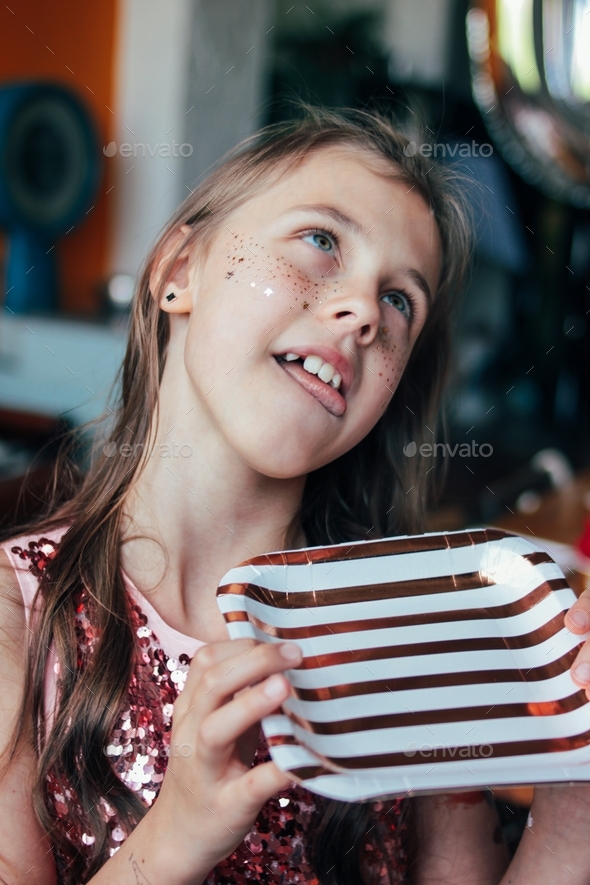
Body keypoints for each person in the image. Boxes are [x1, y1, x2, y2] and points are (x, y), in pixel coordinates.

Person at [0, 107, 516, 885]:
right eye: (322, 240)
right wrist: (176, 834)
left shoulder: (408, 638)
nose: (364, 312)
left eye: (400, 300)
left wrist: (576, 797)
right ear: (180, 272)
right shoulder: (18, 615)